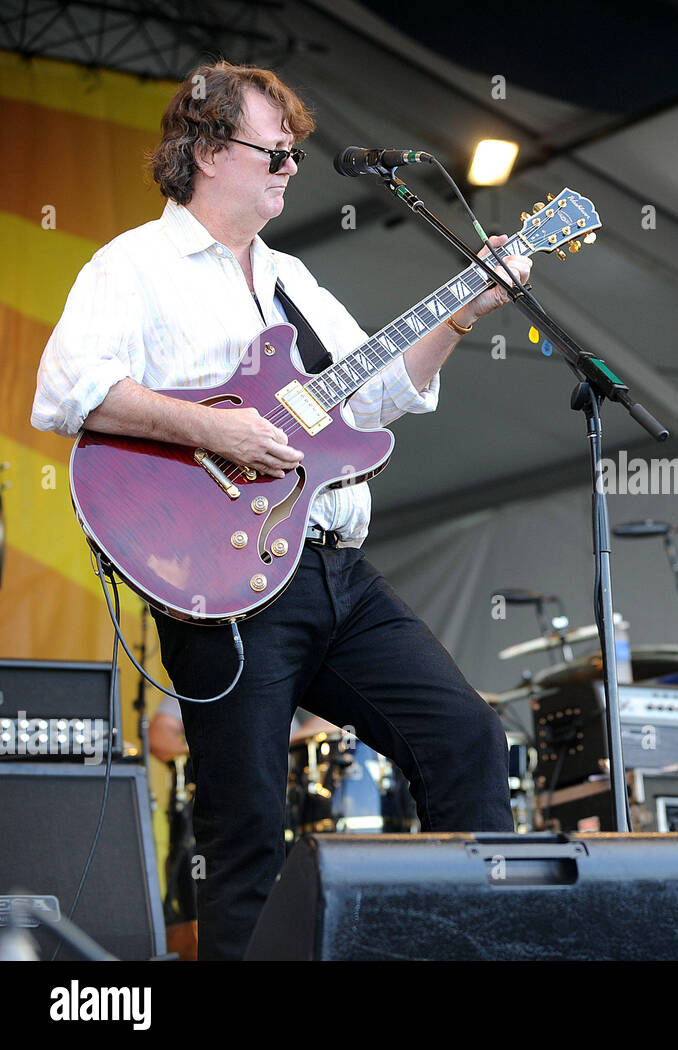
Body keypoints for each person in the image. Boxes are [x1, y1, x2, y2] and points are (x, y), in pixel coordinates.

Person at [32, 61, 529, 959]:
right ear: (212, 150)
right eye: (277, 151)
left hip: (333, 563)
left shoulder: (292, 277)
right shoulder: (134, 266)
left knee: (465, 739)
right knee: (248, 832)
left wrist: (465, 312)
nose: (293, 167)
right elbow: (73, 391)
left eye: (297, 153)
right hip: (223, 581)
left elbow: (372, 400)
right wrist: (217, 433)